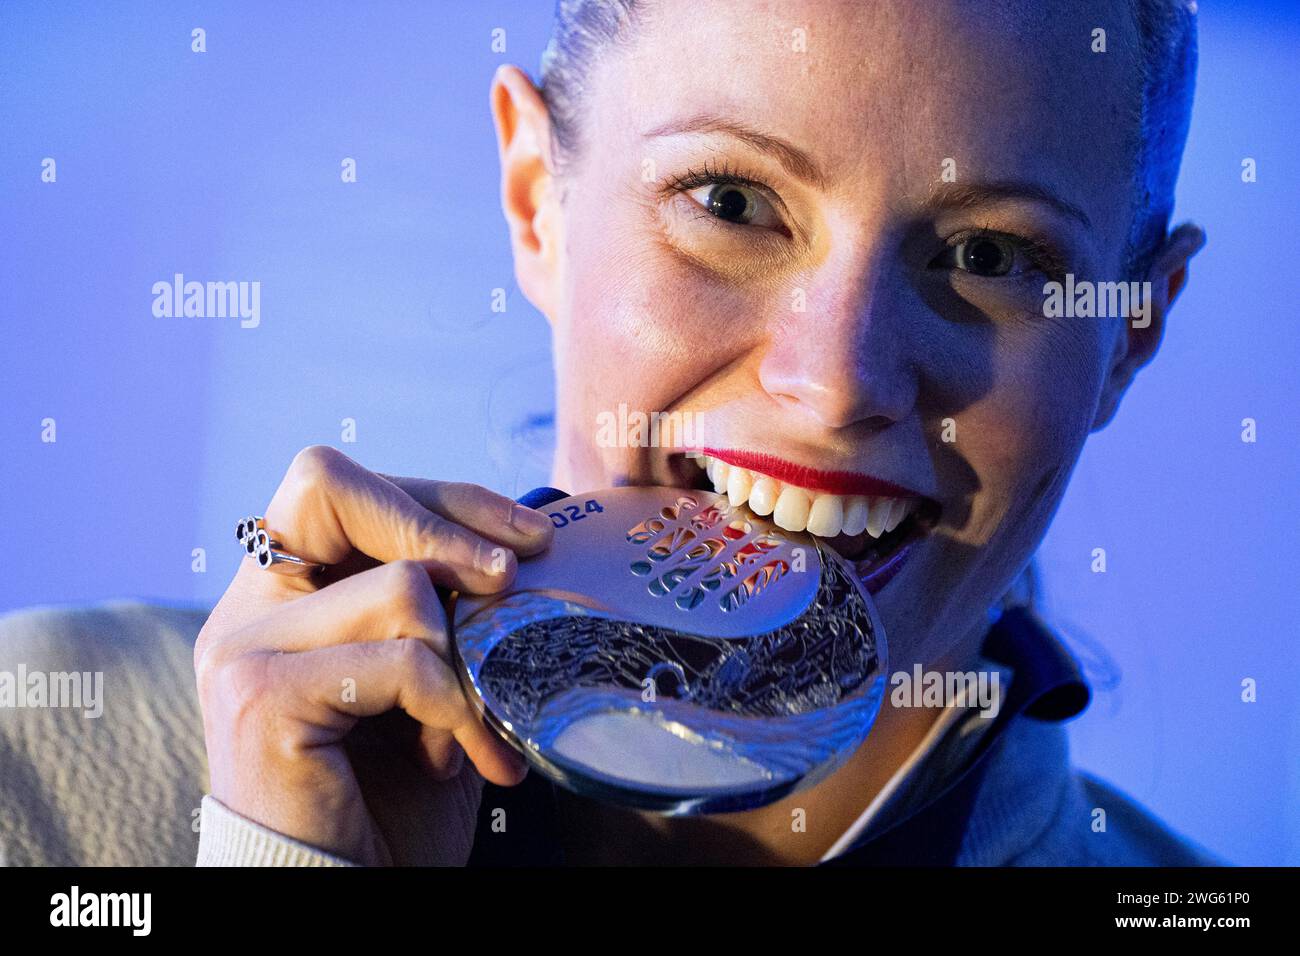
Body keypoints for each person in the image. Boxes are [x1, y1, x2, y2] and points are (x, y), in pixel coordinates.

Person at [183, 0, 1222, 866]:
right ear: (538, 199)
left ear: (1130, 335)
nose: (835, 383)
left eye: (990, 256)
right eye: (730, 200)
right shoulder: (36, 765)